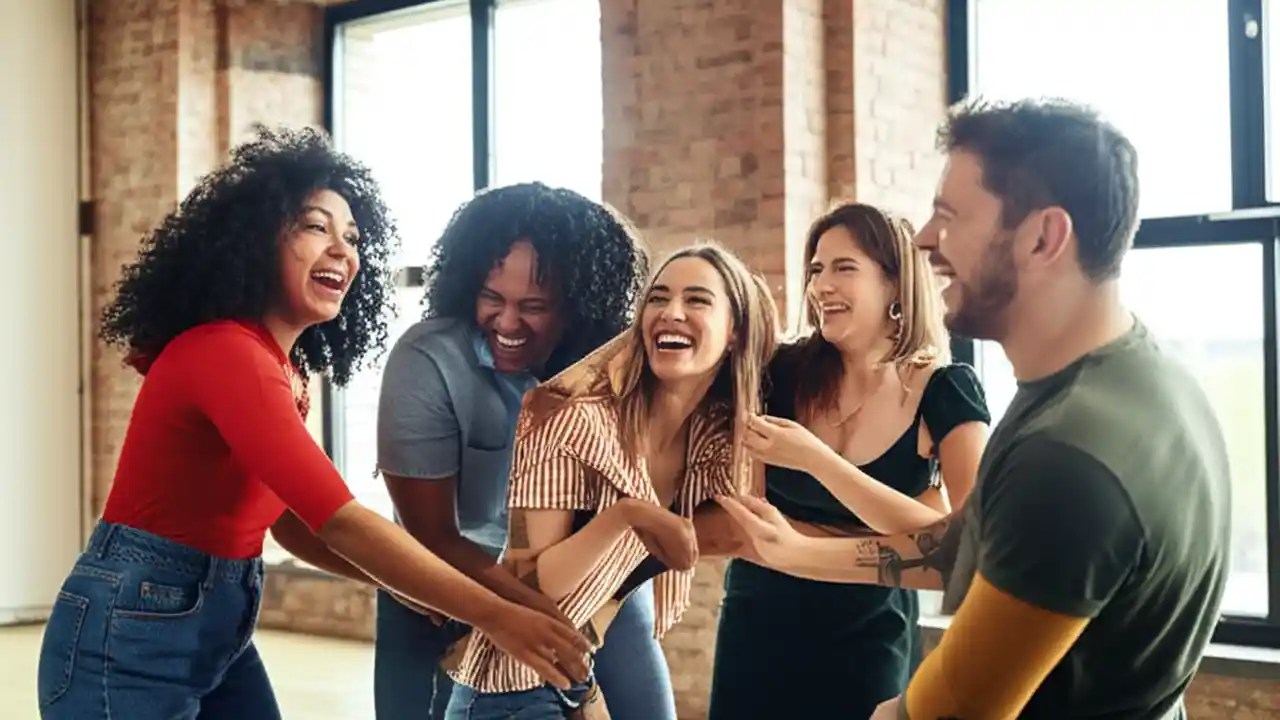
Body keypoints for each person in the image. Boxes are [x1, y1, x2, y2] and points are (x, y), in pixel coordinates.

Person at [35, 127, 590, 720]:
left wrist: (402, 585)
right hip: (128, 635)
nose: (343, 251)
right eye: (315, 226)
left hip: (212, 624)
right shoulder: (226, 354)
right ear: (254, 238)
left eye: (351, 237)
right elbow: (339, 520)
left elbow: (291, 526)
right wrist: (496, 614)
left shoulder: (283, 370)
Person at [716, 98, 1231, 720]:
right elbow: (968, 548)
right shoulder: (1144, 380)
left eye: (949, 216)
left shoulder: (1065, 456)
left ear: (1044, 237)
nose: (927, 240)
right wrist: (794, 554)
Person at [373, 182, 673, 720]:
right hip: (443, 588)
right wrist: (530, 620)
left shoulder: (613, 372)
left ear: (578, 307)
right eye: (493, 299)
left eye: (533, 307)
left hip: (589, 585)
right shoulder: (428, 360)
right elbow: (430, 537)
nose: (508, 324)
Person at [442, 242, 779, 719]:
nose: (671, 312)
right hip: (511, 687)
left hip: (587, 658)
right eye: (658, 298)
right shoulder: (570, 419)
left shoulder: (714, 435)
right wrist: (628, 515)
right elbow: (530, 583)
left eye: (697, 300)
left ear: (734, 332)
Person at [707, 201, 990, 719]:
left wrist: (817, 461)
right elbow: (747, 523)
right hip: (759, 616)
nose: (820, 286)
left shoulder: (947, 390)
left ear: (894, 285)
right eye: (816, 269)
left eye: (844, 268)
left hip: (870, 631)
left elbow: (972, 546)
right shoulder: (779, 371)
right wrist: (908, 532)